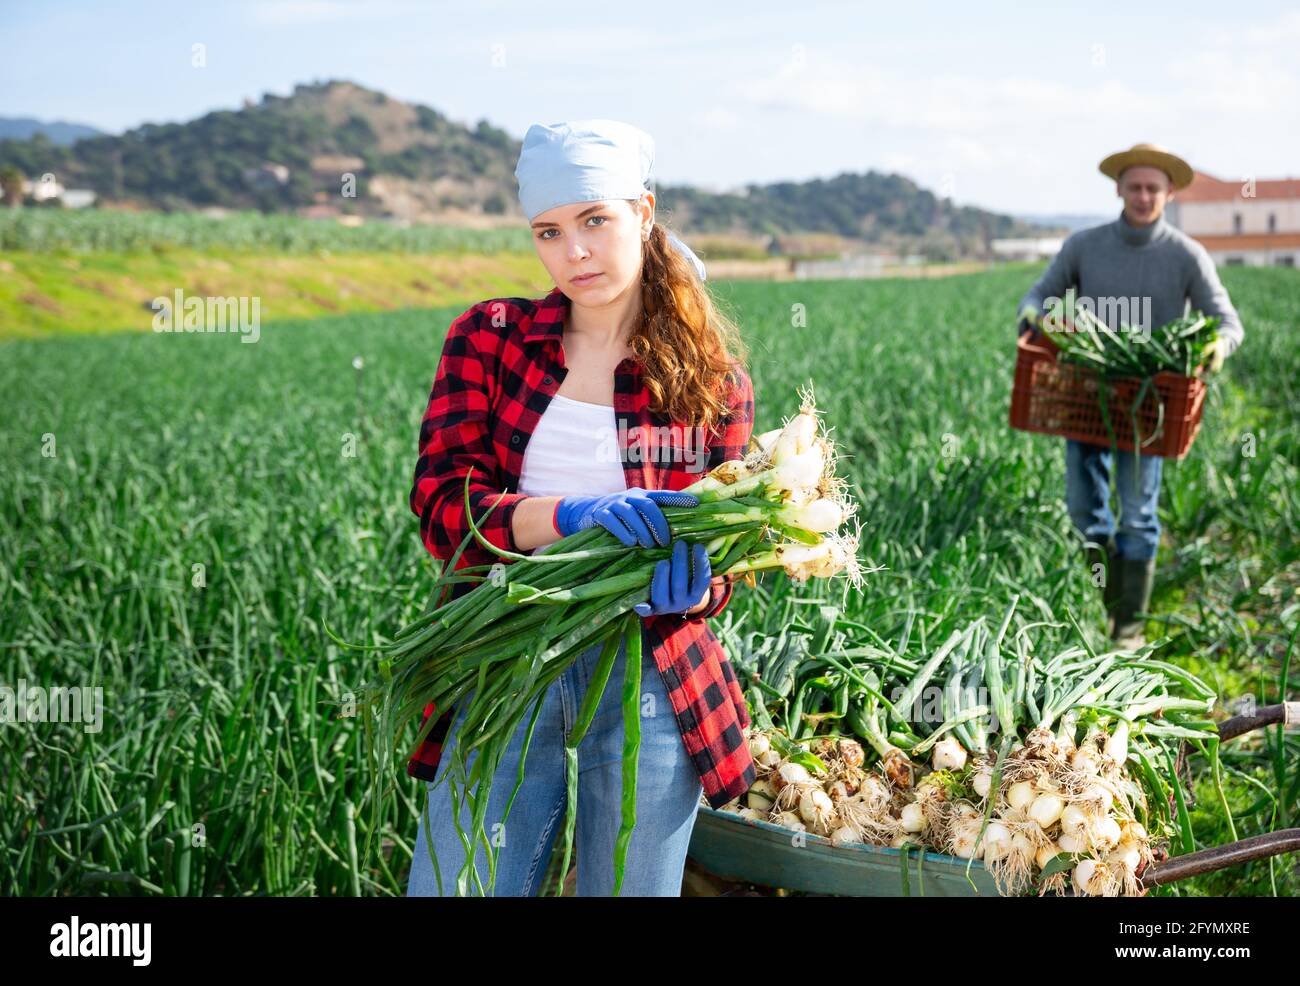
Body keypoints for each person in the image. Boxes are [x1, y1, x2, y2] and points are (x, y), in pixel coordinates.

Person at [404, 119, 757, 896]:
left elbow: (735, 549)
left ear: (645, 213)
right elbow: (442, 506)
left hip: (653, 668)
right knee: (455, 884)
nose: (575, 253)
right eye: (550, 231)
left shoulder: (713, 381)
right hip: (506, 654)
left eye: (595, 220)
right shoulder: (490, 340)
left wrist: (700, 585)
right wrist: (567, 516)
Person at [1015, 143, 1244, 647]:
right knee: (1084, 511)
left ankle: (1128, 629)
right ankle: (1103, 609)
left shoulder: (1186, 255)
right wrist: (1038, 317)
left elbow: (1229, 322)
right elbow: (1037, 296)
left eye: (1153, 188)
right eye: (1134, 187)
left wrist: (1218, 348)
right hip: (1086, 398)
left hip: (1150, 406)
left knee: (1138, 515)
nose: (1143, 196)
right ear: (1118, 189)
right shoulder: (1085, 246)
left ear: (1168, 193)